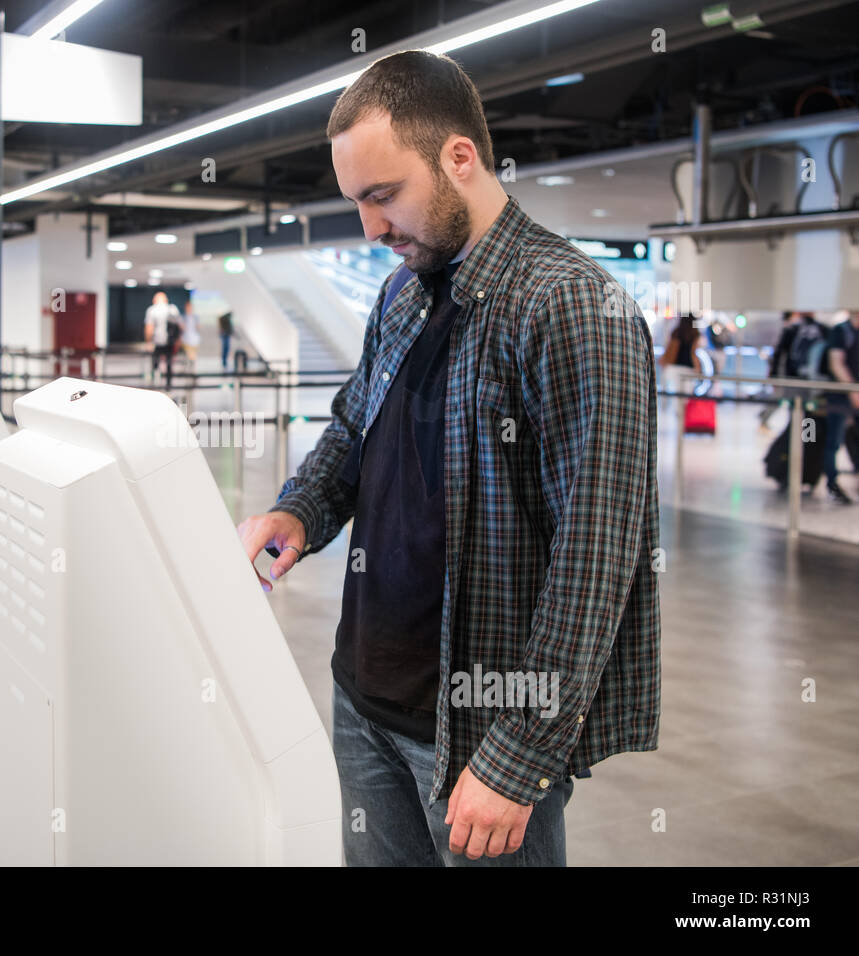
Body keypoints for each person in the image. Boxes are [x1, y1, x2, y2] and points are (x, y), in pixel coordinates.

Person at [236, 50, 659, 867]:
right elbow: (355, 431)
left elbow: (598, 551)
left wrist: (523, 756)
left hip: (476, 728)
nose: (369, 227)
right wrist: (297, 510)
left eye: (383, 195)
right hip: (364, 701)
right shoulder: (400, 292)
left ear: (459, 157)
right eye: (356, 201)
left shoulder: (568, 304)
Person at [822, 309, 859, 504]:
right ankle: (832, 483)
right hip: (839, 397)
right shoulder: (841, 331)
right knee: (833, 442)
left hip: (854, 395)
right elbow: (836, 363)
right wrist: (853, 391)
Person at [759, 311, 801, 430]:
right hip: (784, 374)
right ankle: (764, 417)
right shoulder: (789, 330)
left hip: (786, 374)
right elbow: (778, 354)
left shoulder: (790, 330)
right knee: (778, 397)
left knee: (784, 399)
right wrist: (774, 373)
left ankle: (765, 416)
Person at [144, 291, 178, 386]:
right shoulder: (172, 309)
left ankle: (155, 384)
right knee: (169, 364)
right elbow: (178, 327)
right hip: (169, 342)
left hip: (157, 342)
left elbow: (149, 328)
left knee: (155, 364)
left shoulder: (152, 310)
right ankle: (168, 385)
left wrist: (148, 342)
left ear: (154, 300)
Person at [180, 300, 201, 370]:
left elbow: (198, 327)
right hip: (186, 339)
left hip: (194, 339)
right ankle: (187, 368)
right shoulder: (183, 317)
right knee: (187, 355)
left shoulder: (196, 317)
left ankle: (192, 369)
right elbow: (182, 328)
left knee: (193, 357)